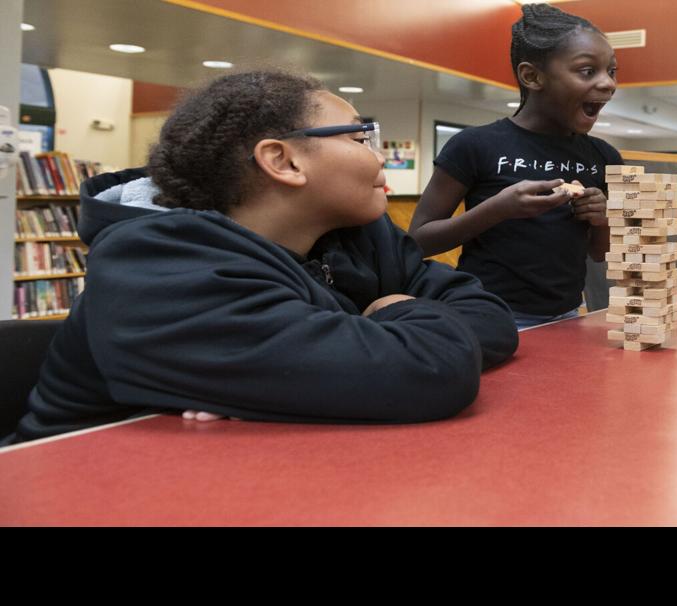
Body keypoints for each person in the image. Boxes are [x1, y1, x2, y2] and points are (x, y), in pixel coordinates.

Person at [4, 70, 517, 446]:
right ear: (283, 160)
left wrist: (364, 343)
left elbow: (491, 320)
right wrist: (393, 312)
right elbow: (433, 368)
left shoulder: (356, 234)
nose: (379, 157)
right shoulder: (158, 264)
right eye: (362, 137)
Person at [409, 3, 624, 329]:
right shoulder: (476, 145)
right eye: (586, 71)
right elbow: (418, 241)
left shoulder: (604, 156)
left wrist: (602, 220)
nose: (608, 84)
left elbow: (600, 253)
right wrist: (499, 209)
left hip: (567, 317)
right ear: (532, 76)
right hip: (484, 314)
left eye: (611, 71)